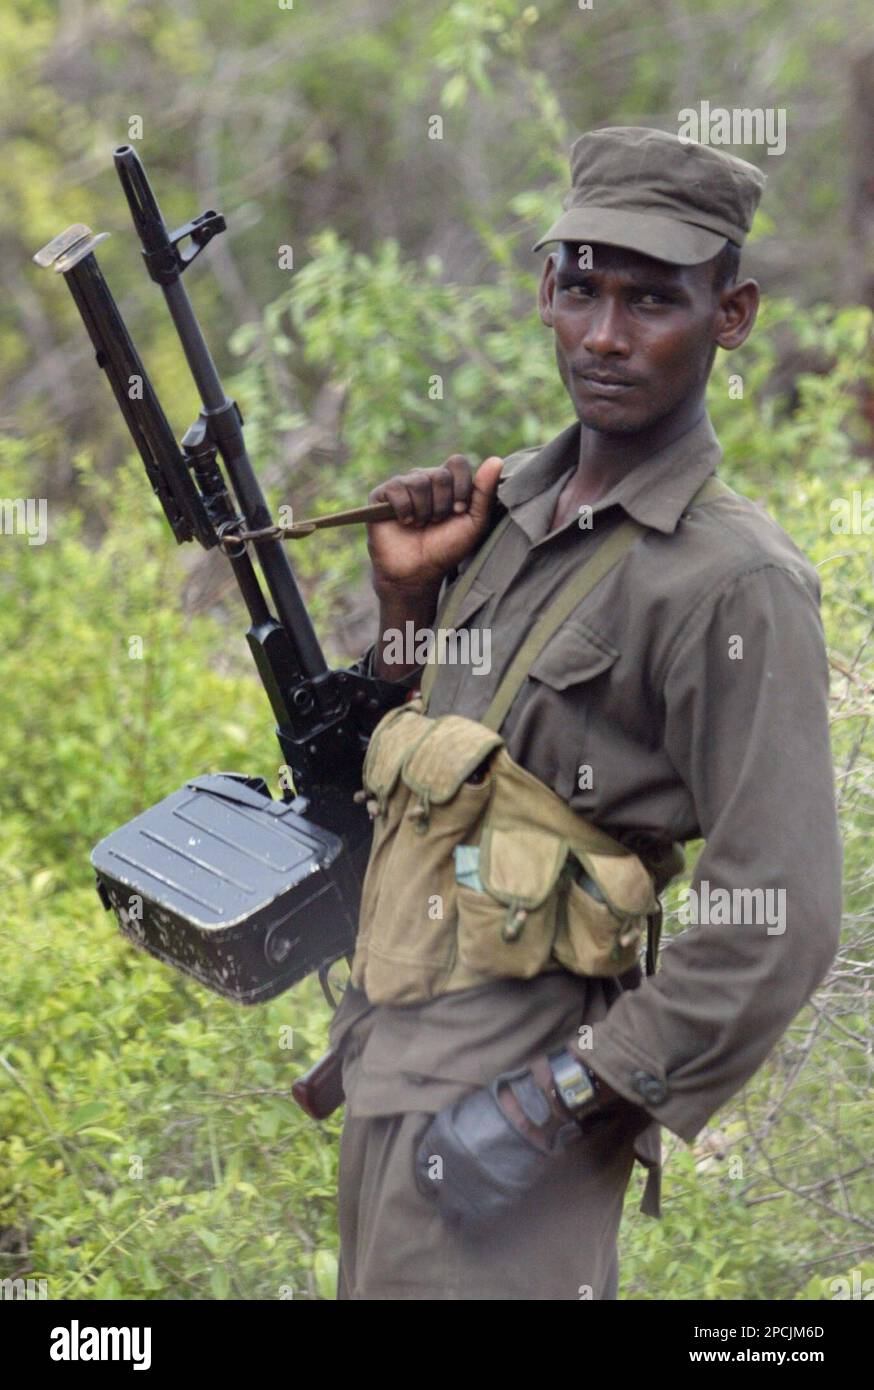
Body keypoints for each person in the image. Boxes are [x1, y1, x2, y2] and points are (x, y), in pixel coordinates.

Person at [329, 126, 843, 1300]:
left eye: (653, 299)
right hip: (389, 1093)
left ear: (732, 313)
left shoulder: (733, 580)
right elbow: (421, 785)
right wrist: (407, 600)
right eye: (582, 289)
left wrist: (564, 1100)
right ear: (543, 293)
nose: (606, 336)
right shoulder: (509, 517)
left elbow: (782, 913)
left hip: (516, 1147)